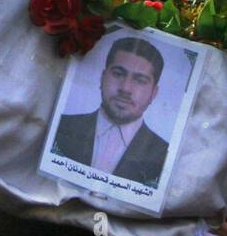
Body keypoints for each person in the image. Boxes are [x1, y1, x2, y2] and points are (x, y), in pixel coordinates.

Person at [51, 36, 169, 187]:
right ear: (102, 78)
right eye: (118, 74)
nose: (125, 88)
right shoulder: (60, 126)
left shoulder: (164, 155)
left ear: (154, 93)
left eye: (140, 80)